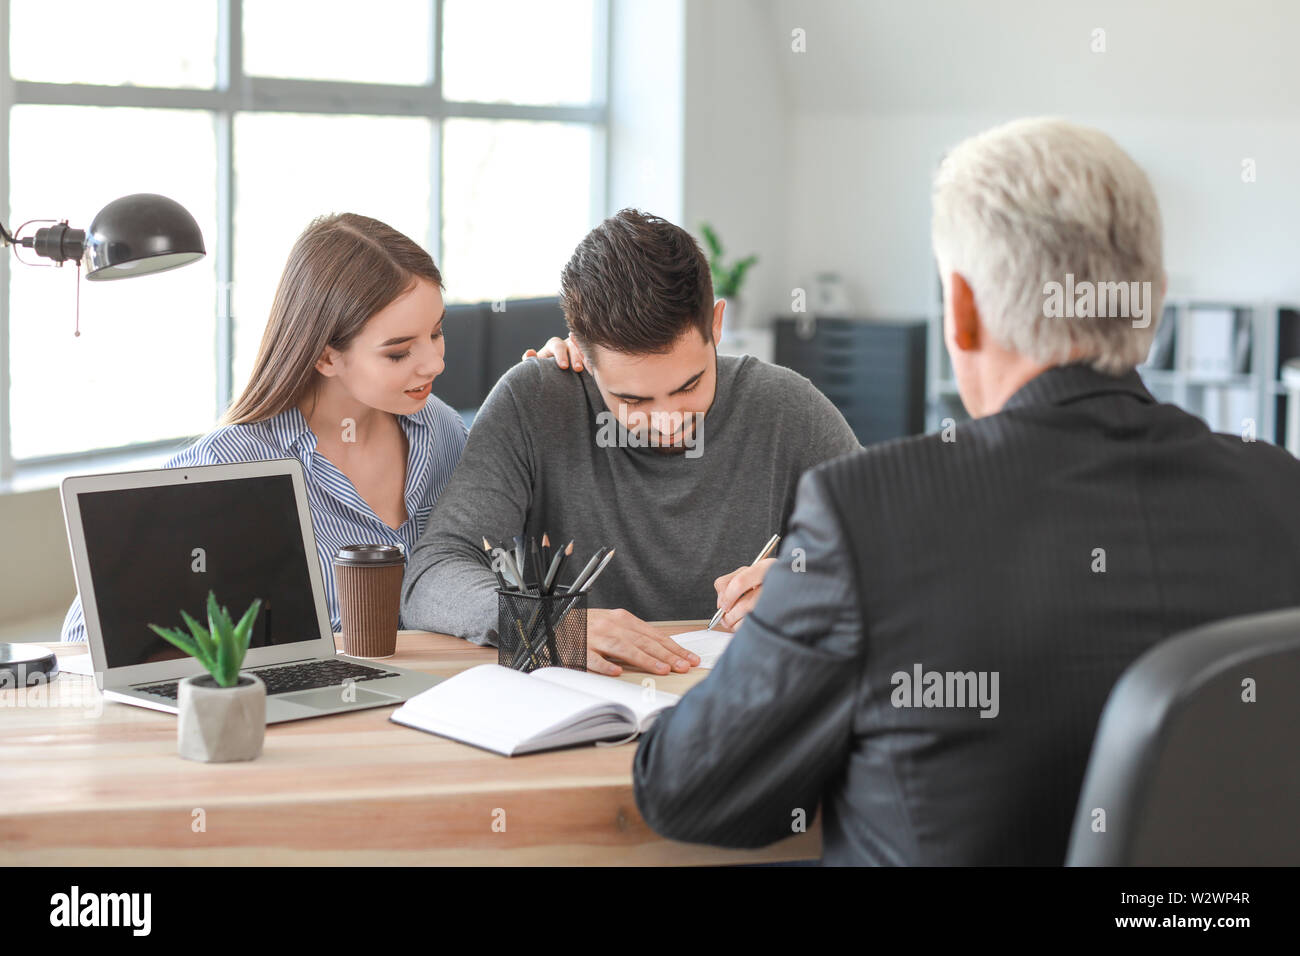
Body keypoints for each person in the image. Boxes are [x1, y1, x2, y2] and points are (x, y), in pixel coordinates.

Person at [631, 117, 1300, 865]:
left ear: (964, 308)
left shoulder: (871, 515)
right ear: (1154, 302)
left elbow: (688, 790)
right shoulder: (1283, 493)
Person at [401, 209, 861, 676]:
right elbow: (432, 577)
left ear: (716, 324)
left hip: (744, 700)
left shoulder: (787, 407)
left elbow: (897, 553)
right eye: (631, 399)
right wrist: (549, 625)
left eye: (688, 386)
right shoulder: (535, 400)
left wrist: (812, 582)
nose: (665, 423)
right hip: (578, 709)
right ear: (581, 352)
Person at [62, 213, 468, 641]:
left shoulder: (438, 428)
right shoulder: (227, 467)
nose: (435, 363)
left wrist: (543, 390)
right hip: (313, 704)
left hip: (443, 696)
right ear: (327, 357)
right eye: (399, 353)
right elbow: (84, 638)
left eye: (437, 332)